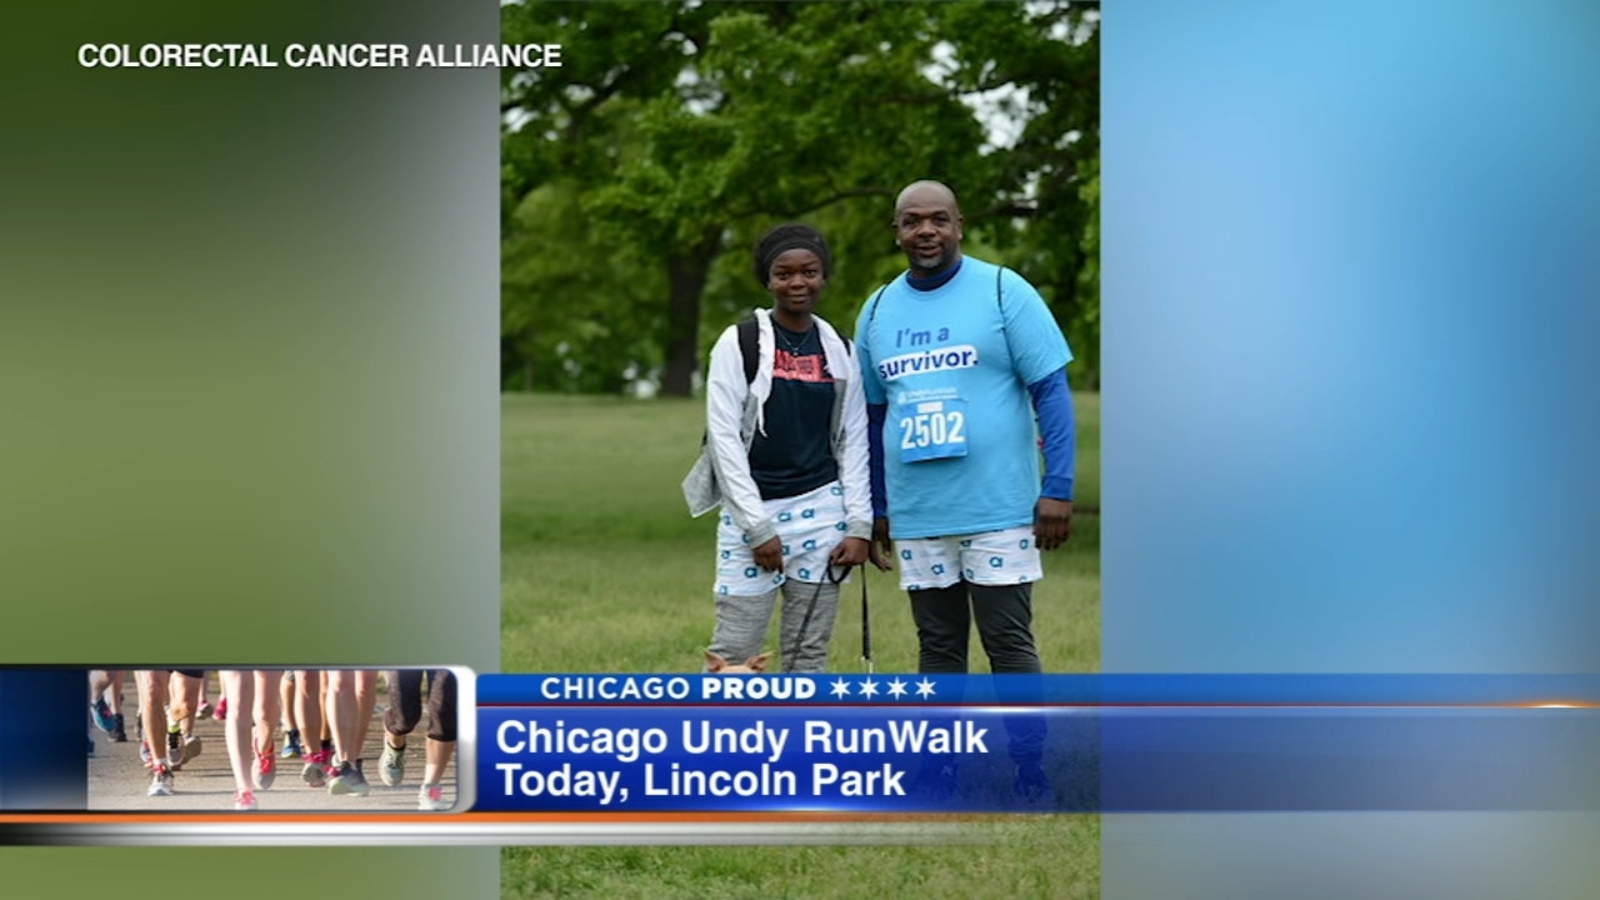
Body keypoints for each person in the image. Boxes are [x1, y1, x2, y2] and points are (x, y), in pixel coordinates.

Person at [854, 180, 1075, 798]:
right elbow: (871, 417)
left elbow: (1051, 392)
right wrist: (876, 508)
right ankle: (939, 767)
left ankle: (1030, 767)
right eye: (912, 221)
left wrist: (1057, 488)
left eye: (939, 220)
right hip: (920, 512)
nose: (926, 231)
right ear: (895, 231)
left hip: (998, 507)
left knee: (1008, 640)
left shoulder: (1004, 291)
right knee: (939, 647)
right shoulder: (875, 310)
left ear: (959, 225)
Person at [683, 223, 872, 674]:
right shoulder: (739, 342)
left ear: (823, 276)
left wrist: (860, 525)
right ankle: (721, 743)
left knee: (808, 655)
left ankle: (800, 743)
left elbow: (854, 440)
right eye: (784, 274)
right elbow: (724, 439)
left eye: (809, 271)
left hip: (822, 512)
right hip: (751, 516)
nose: (797, 283)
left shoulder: (841, 350)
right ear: (768, 280)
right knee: (731, 654)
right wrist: (756, 528)